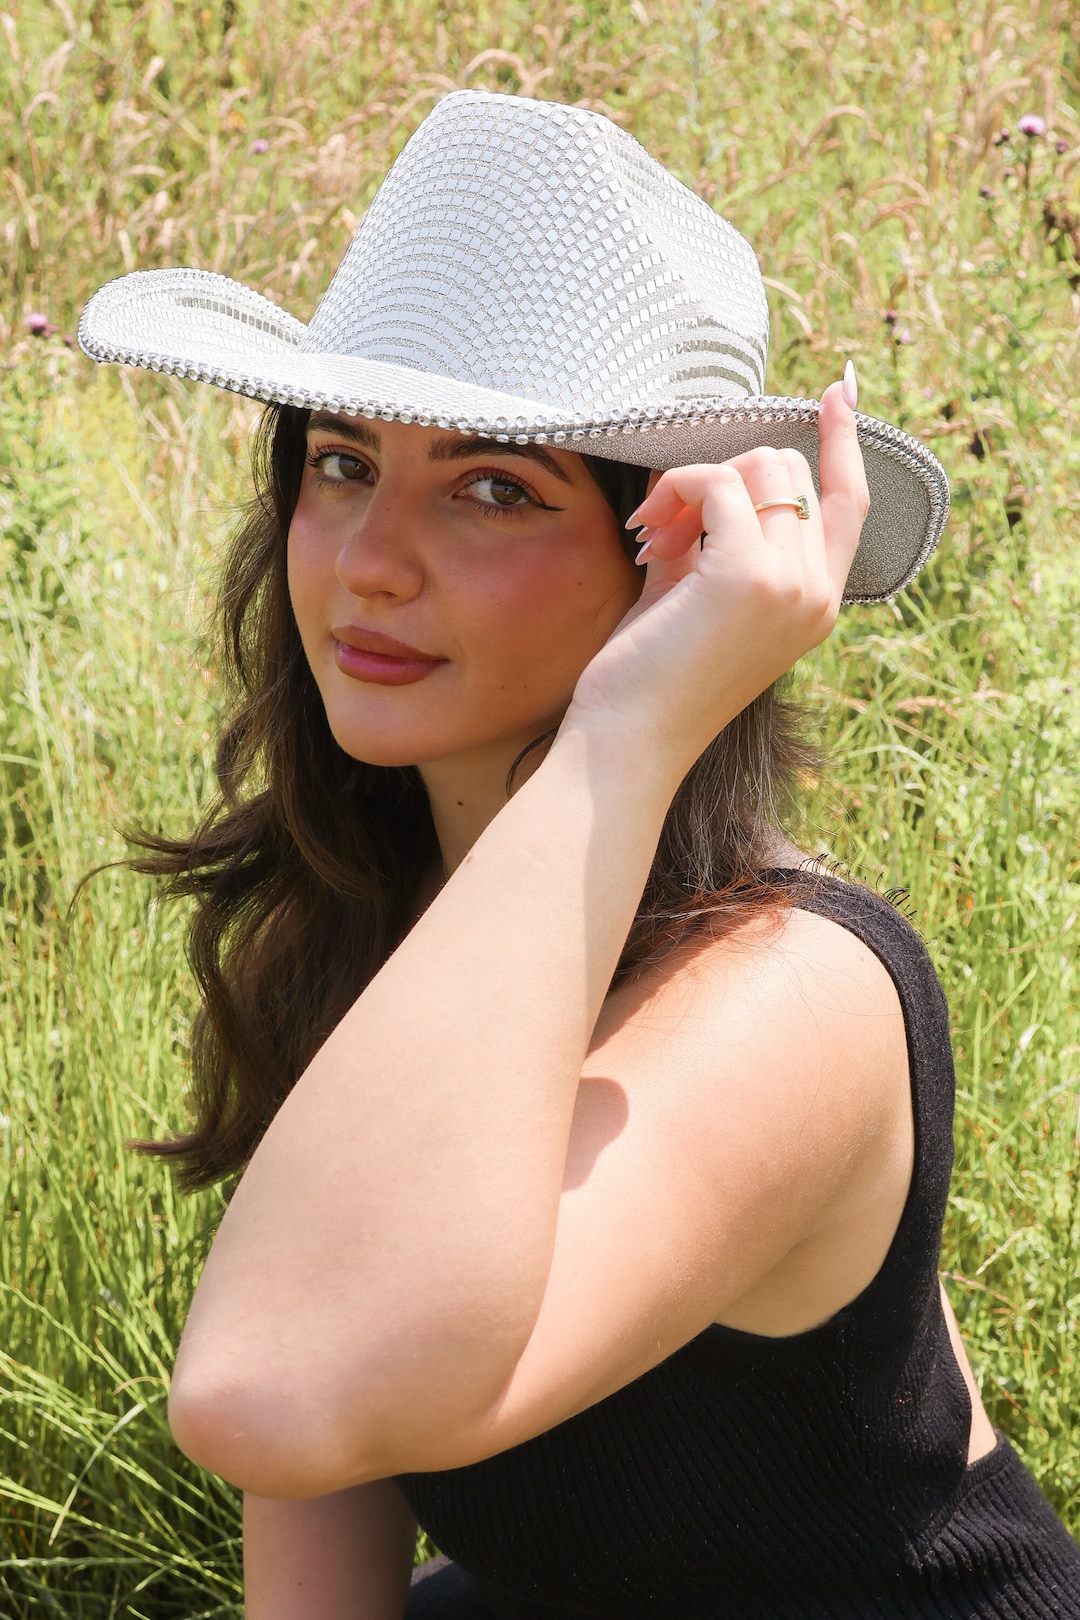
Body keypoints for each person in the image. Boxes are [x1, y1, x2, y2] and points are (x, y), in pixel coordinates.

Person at [79, 91, 1080, 1618]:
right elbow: (318, 1524)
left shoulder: (798, 995)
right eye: (342, 464)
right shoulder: (387, 928)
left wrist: (632, 728)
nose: (371, 559)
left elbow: (269, 1389)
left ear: (669, 558)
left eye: (494, 488)